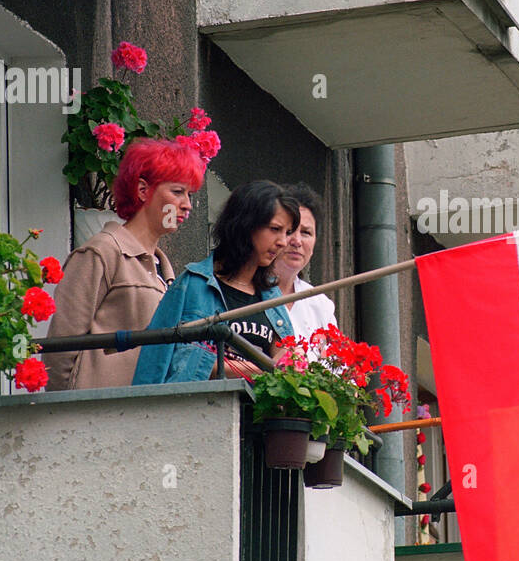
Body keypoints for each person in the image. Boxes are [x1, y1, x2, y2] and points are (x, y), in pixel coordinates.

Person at [44, 139, 204, 390]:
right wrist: (64, 413)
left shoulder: (165, 268)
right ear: (143, 190)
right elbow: (60, 348)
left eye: (190, 194)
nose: (187, 205)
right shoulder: (101, 252)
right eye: (177, 191)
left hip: (143, 415)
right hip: (92, 416)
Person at [132, 181, 300, 385]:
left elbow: (285, 355)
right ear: (245, 224)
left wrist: (289, 361)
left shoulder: (271, 295)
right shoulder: (192, 284)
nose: (283, 241)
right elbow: (155, 361)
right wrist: (255, 370)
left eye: (287, 232)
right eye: (275, 229)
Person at [267, 183, 337, 338]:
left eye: (306, 232)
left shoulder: (320, 305)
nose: (297, 241)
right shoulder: (247, 291)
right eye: (290, 231)